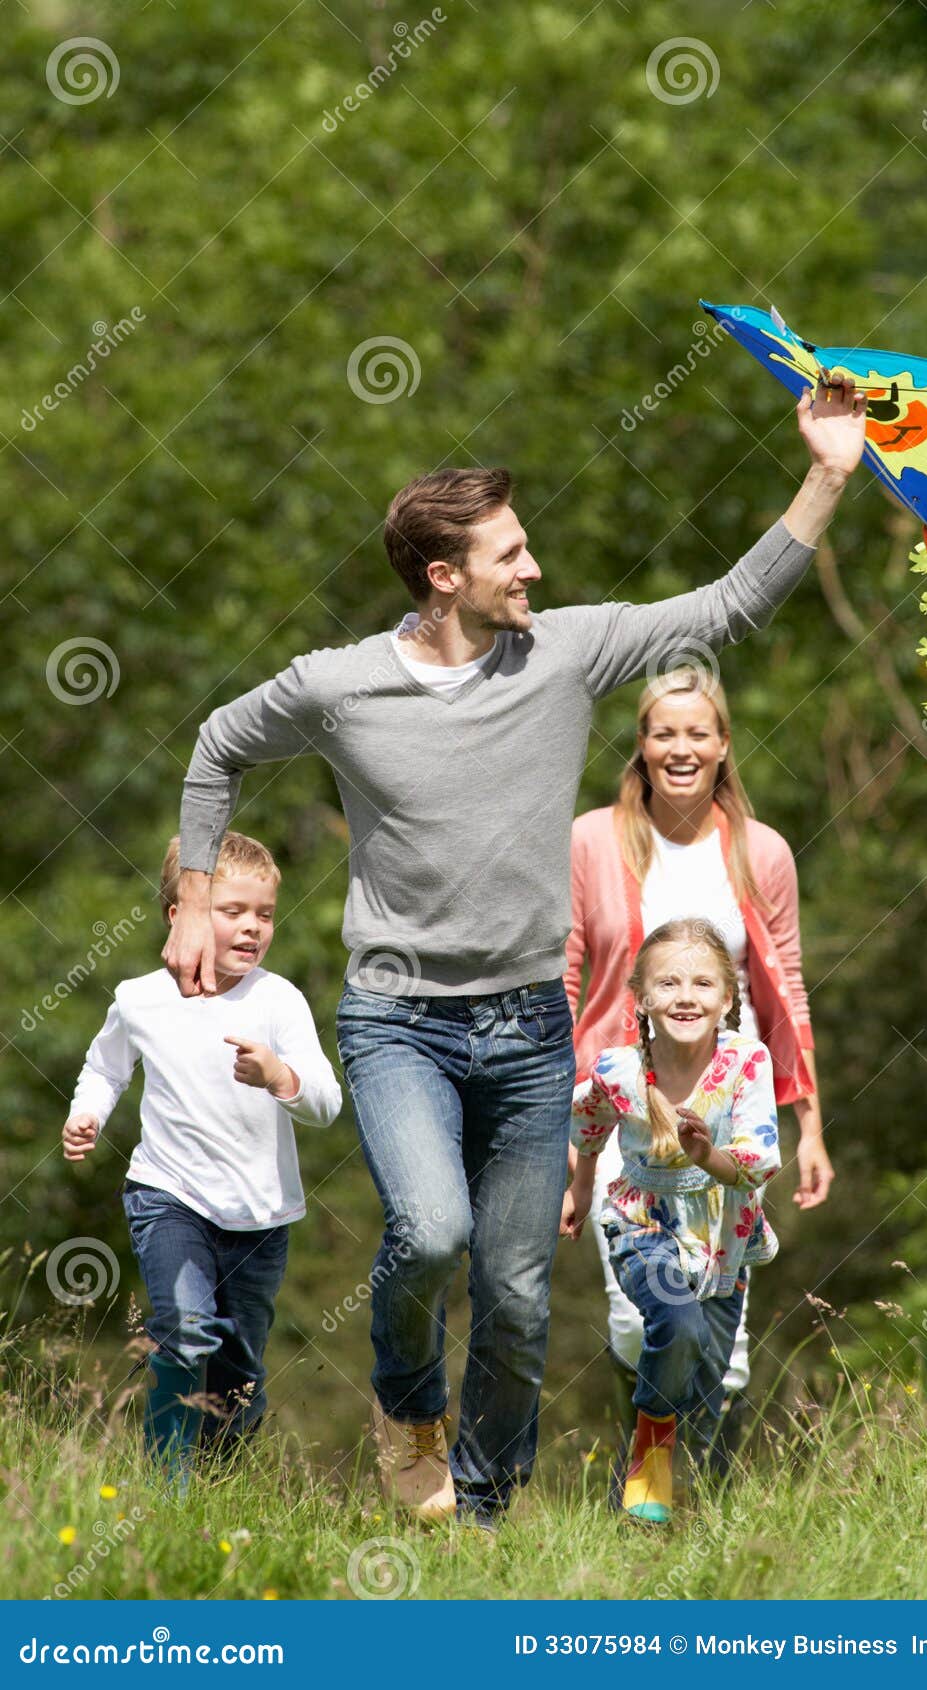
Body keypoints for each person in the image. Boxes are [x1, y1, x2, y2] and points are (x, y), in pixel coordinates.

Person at [162, 373, 867, 1528]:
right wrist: (196, 894)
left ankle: (482, 1518)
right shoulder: (342, 685)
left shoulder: (565, 652)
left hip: (532, 1025)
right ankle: (406, 1407)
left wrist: (827, 472)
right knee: (431, 1232)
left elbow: (727, 608)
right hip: (397, 1017)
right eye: (510, 554)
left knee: (519, 1290)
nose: (532, 569)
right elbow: (215, 745)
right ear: (444, 578)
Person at [563, 666, 831, 1468]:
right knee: (640, 1311)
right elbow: (564, 974)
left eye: (697, 734)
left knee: (721, 1312)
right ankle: (650, 1460)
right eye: (662, 733)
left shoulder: (761, 851)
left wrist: (809, 1122)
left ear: (721, 747)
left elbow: (784, 986)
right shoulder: (590, 839)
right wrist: (555, 1123)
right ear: (641, 747)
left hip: (727, 1106)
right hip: (620, 1099)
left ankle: (689, 1503)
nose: (680, 749)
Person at [62, 831, 342, 1481]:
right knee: (185, 1332)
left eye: (264, 914)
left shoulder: (279, 1002)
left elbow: (324, 1103)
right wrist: (87, 1114)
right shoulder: (140, 999)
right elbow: (104, 1071)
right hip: (168, 1196)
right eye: (232, 911)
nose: (252, 928)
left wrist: (279, 1075)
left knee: (236, 1373)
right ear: (180, 915)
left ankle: (221, 1482)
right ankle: (168, 1485)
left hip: (260, 1217)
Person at [562, 918, 780, 1525]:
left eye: (704, 983)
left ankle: (679, 1509)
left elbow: (759, 1159)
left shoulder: (747, 1061)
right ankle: (651, 1442)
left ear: (728, 999)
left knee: (709, 1380)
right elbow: (587, 1123)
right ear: (642, 998)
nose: (687, 996)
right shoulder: (618, 1069)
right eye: (669, 983)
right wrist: (580, 1188)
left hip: (724, 1234)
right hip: (643, 1223)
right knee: (675, 1321)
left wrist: (709, 1155)